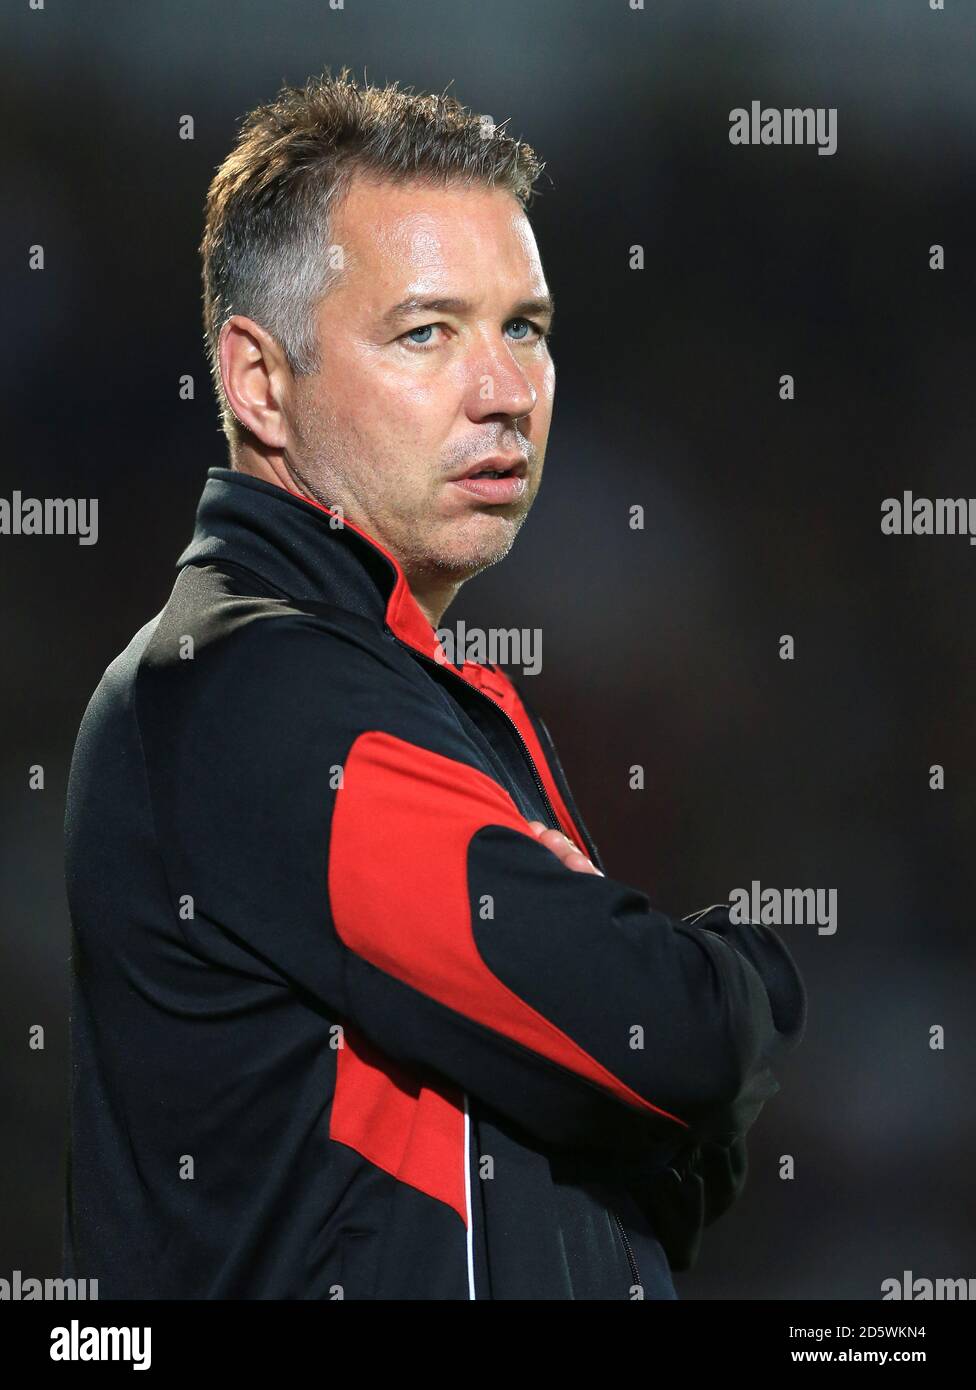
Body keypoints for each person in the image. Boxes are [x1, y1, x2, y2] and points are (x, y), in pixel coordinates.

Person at [62, 67, 806, 1300]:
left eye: (524, 327)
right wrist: (734, 978)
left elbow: (662, 1157)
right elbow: (675, 1041)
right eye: (427, 332)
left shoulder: (405, 684)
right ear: (259, 382)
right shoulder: (250, 688)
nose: (505, 391)